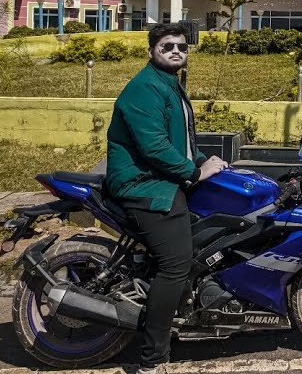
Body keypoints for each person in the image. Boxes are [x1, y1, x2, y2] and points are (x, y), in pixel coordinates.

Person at [105, 22, 227, 373]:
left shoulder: (169, 84)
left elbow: (182, 140)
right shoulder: (144, 88)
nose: (177, 50)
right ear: (151, 51)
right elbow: (154, 146)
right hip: (146, 186)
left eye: (182, 47)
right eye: (168, 46)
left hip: (163, 180)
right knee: (176, 264)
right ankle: (152, 359)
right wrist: (193, 173)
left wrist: (205, 160)